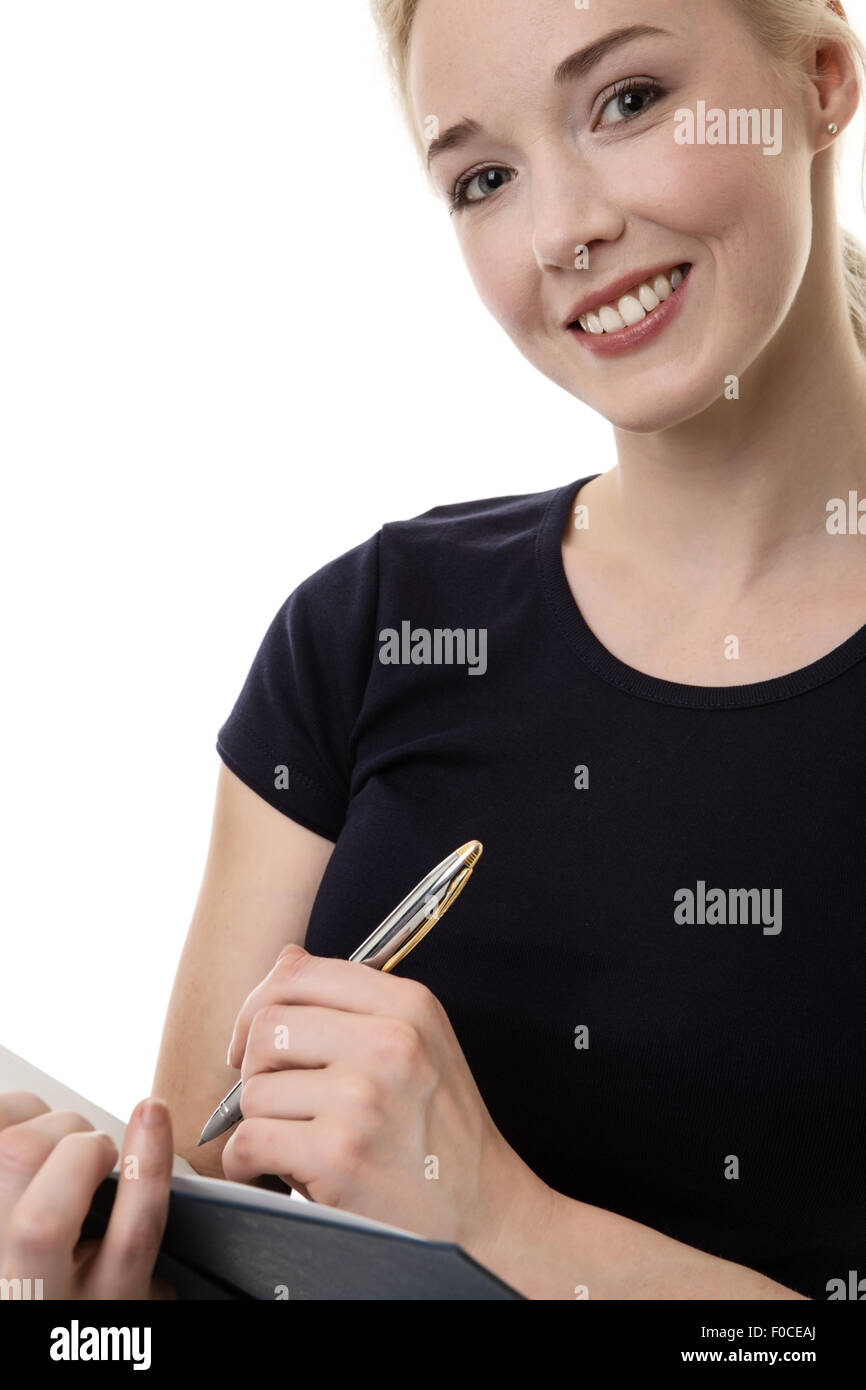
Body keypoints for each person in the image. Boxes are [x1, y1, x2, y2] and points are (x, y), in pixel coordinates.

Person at [3, 0, 864, 1301]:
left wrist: (499, 1210)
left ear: (818, 77)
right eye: (483, 175)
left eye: (625, 101)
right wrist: (82, 1303)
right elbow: (205, 1265)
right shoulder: (365, 633)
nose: (560, 228)